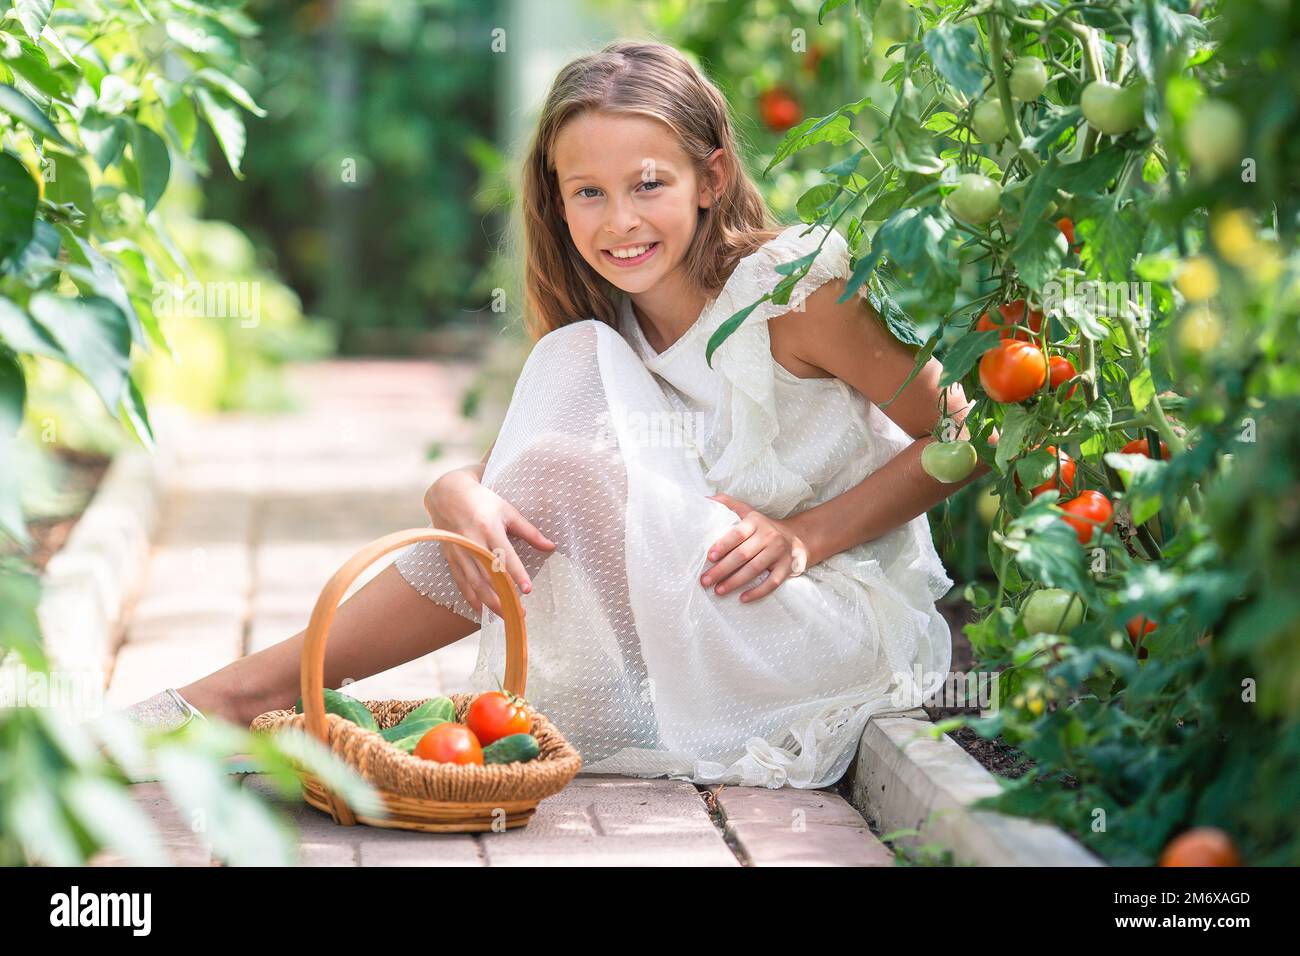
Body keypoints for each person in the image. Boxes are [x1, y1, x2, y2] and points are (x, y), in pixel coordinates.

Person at [125, 39, 990, 789]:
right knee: (563, 380)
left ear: (710, 176)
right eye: (588, 193)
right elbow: (527, 472)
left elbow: (967, 435)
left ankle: (245, 696)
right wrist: (451, 491)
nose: (620, 223)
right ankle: (261, 693)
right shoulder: (606, 320)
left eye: (649, 184)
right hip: (698, 616)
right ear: (557, 195)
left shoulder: (797, 294)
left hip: (817, 623)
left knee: (559, 434)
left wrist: (809, 535)